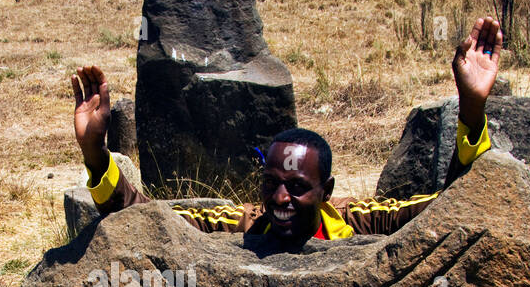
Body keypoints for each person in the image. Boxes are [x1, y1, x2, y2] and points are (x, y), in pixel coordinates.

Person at [72, 17, 504, 250]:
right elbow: (144, 219)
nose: (280, 200)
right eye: (272, 184)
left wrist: (472, 108)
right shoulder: (240, 226)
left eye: (297, 187)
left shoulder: (363, 225)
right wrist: (96, 153)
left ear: (328, 190)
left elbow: (453, 206)